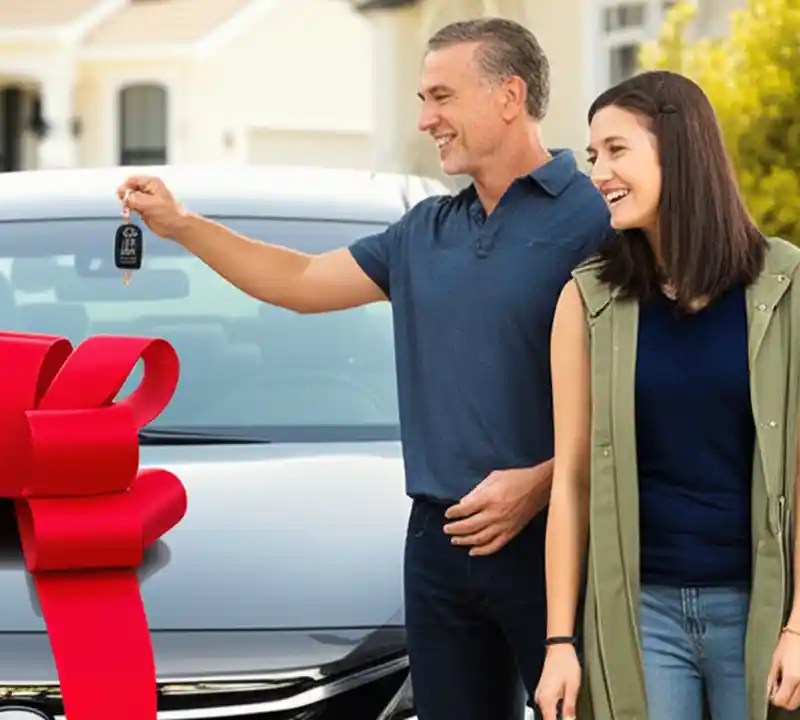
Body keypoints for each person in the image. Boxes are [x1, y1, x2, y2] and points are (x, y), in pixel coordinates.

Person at [117, 17, 610, 719]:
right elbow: (299, 281)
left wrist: (542, 481)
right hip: (437, 545)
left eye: (442, 97)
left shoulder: (595, 218)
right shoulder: (425, 231)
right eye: (422, 99)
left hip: (557, 541)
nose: (426, 119)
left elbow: (646, 388)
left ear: (509, 96)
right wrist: (183, 226)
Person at [534, 69, 800, 720]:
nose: (599, 173)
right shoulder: (587, 301)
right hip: (641, 615)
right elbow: (571, 479)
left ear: (678, 151)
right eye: (594, 155)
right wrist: (559, 641)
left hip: (762, 606)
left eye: (617, 150)